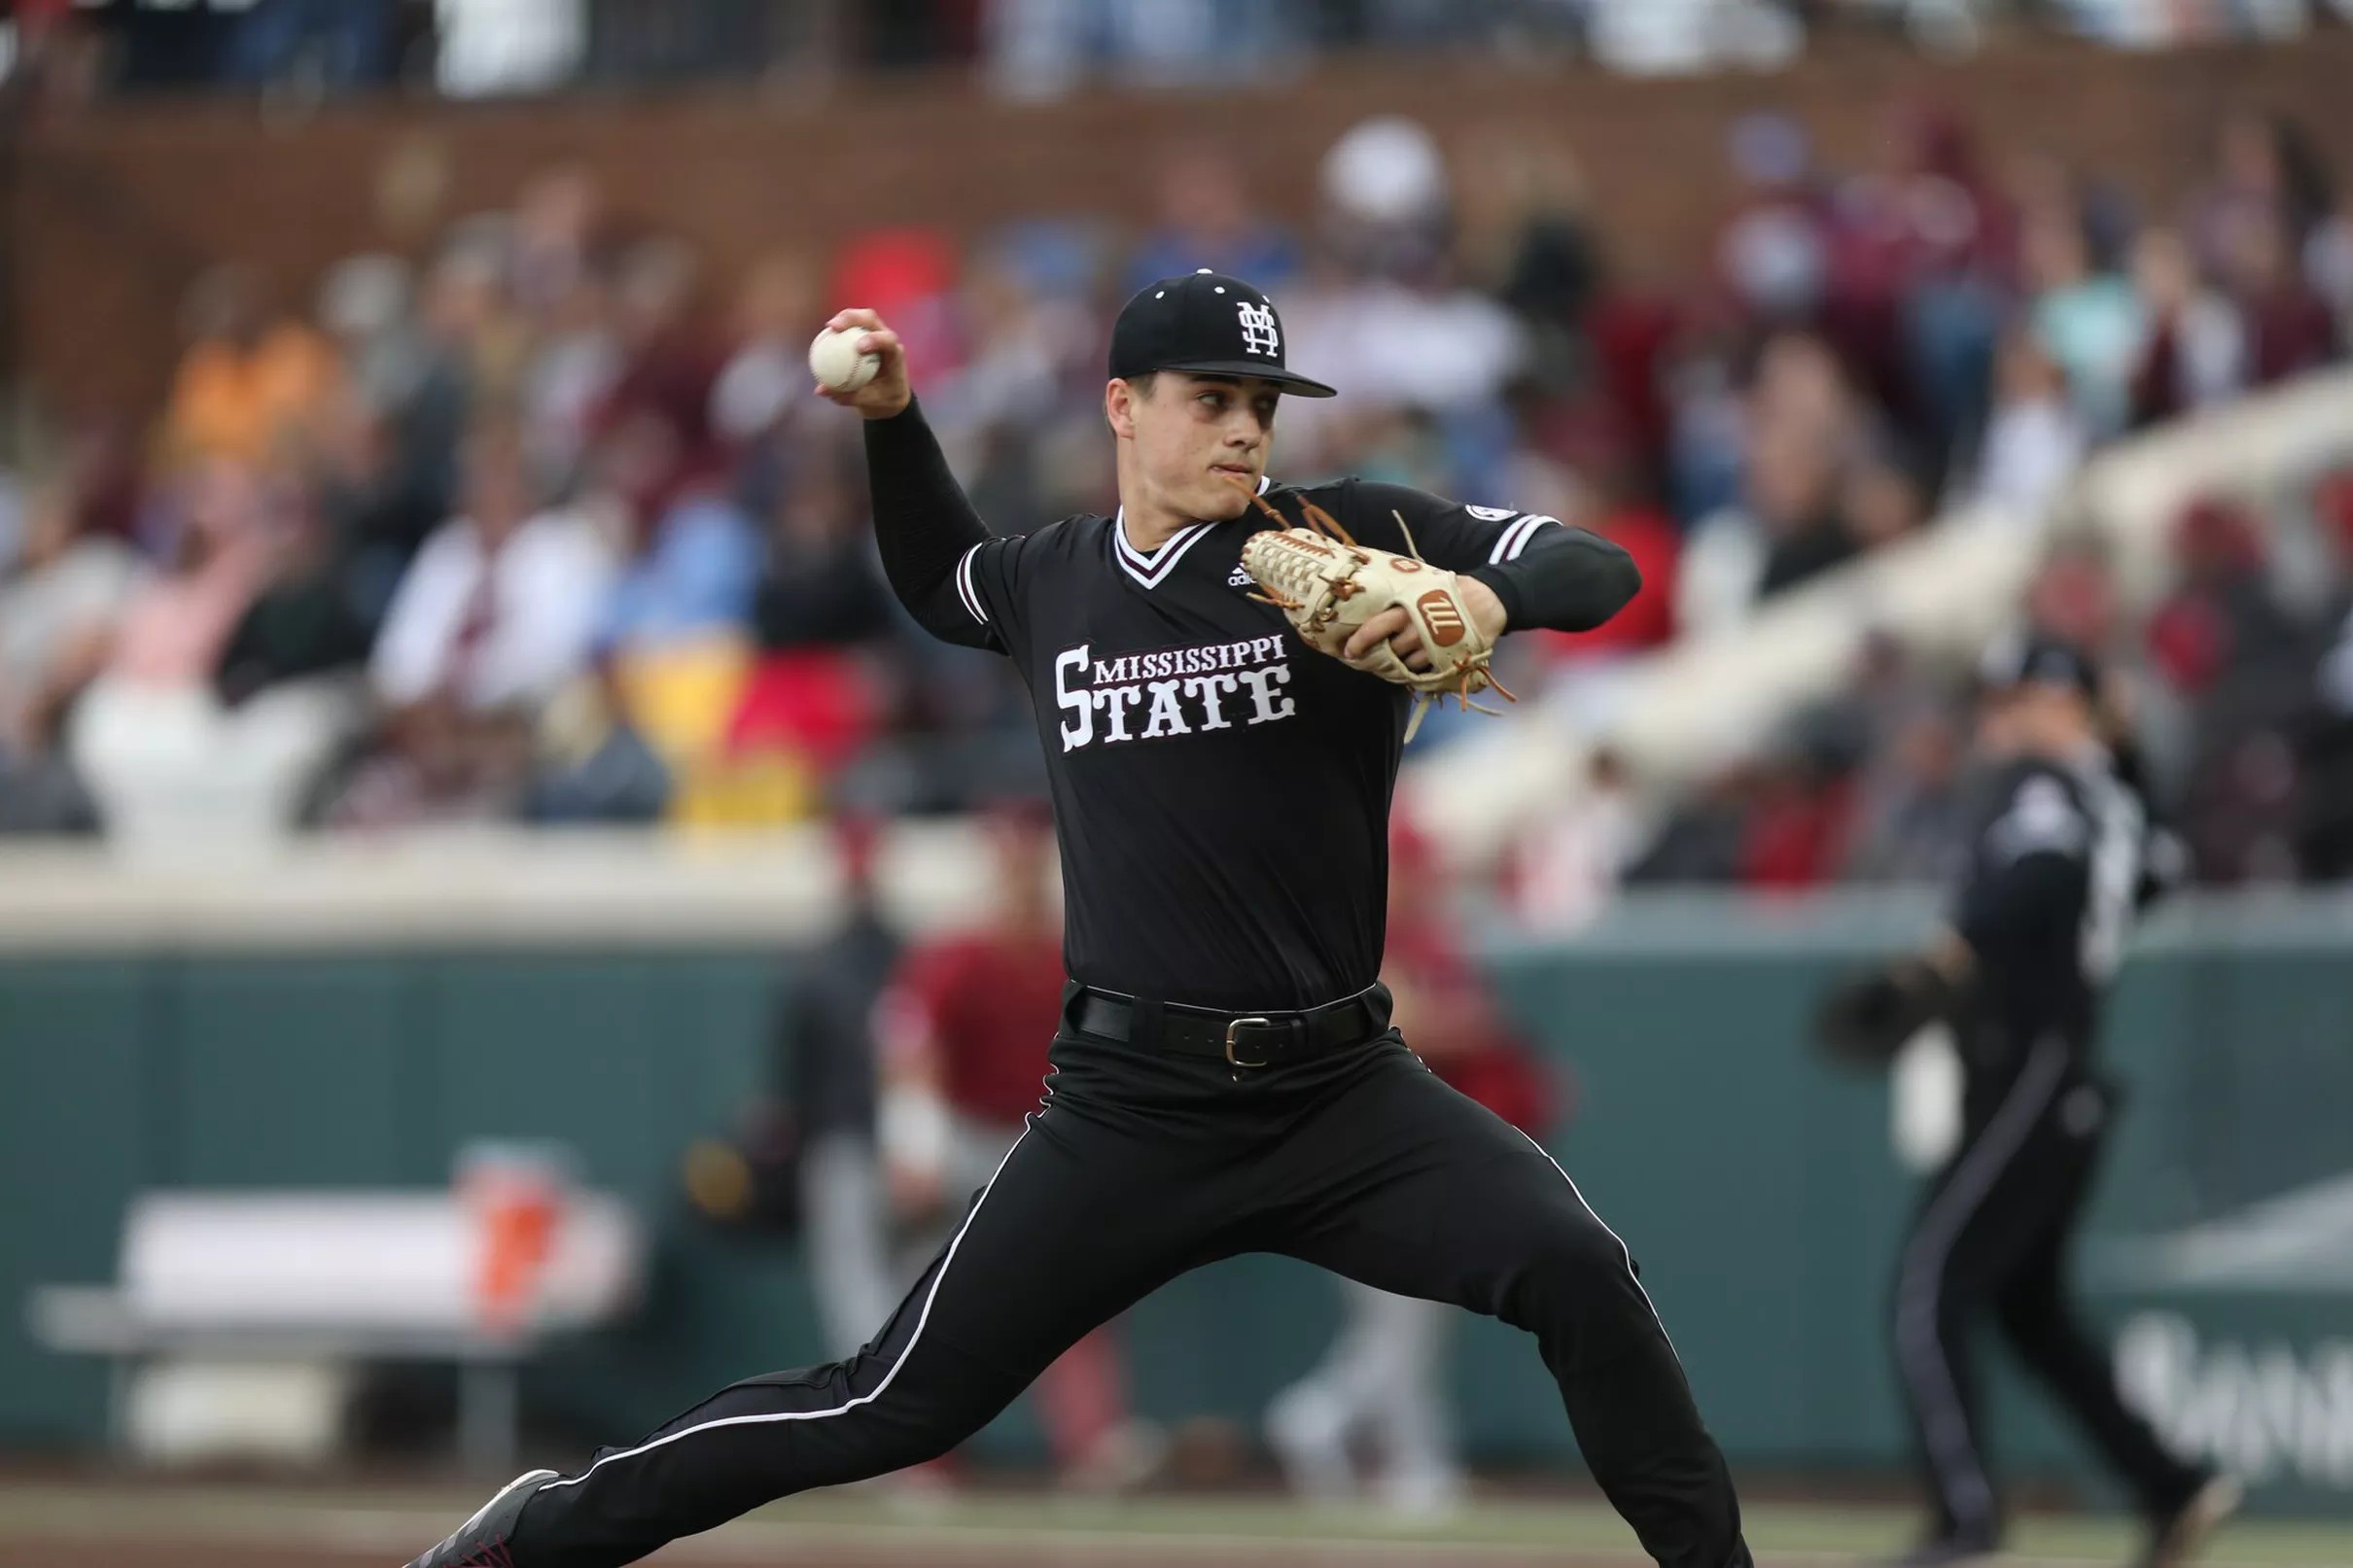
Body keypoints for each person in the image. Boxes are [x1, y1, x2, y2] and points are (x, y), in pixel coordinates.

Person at [404, 269, 1751, 1568]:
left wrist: (1491, 591)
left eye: (1261, 403)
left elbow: (1600, 568)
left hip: (1343, 1093)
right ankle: (541, 1536)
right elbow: (943, 584)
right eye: (1209, 396)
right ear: (1121, 406)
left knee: (1582, 1268)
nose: (1242, 427)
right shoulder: (1055, 579)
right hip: (1131, 1105)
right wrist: (893, 423)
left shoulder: (1341, 535)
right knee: (886, 1404)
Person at [1814, 637, 2240, 1568]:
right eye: (1999, 699)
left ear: (2079, 709)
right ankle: (2170, 1481)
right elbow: (2153, 868)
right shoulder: (2111, 796)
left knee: (1926, 1293)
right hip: (2057, 1075)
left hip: (2031, 1066)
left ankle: (1966, 1524)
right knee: (2026, 1309)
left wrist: (1945, 955)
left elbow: (2039, 873)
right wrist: (2125, 756)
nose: (2005, 719)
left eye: (2030, 699)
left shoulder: (2050, 786)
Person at [1266, 816, 1558, 1516]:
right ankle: (1398, 1455)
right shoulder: (1350, 939)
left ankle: (1340, 1426)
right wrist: (1463, 1020)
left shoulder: (1435, 938)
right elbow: (1404, 1024)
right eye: (1411, 866)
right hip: (1362, 1159)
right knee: (1404, 1319)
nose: (1425, 879)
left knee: (1413, 1320)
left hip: (1421, 1159)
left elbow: (1468, 1024)